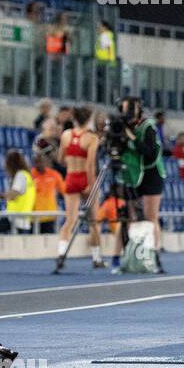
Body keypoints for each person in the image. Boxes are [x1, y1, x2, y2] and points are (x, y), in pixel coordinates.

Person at [118, 97, 166, 273]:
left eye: (130, 109)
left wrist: (131, 138)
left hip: (151, 173)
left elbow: (149, 152)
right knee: (131, 216)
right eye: (123, 109)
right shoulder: (123, 126)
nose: (126, 113)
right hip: (132, 173)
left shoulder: (148, 126)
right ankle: (132, 255)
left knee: (150, 216)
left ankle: (154, 254)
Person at [58, 106, 104, 267]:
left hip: (71, 176)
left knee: (69, 220)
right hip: (85, 178)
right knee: (93, 221)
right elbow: (91, 165)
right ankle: (96, 258)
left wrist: (72, 162)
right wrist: (91, 185)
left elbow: (60, 159)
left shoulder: (65, 135)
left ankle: (61, 254)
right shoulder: (91, 138)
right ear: (89, 119)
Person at [0, 149, 36, 234]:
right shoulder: (27, 175)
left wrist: (2, 195)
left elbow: (14, 193)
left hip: (15, 219)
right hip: (23, 220)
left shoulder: (20, 175)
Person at [30, 150, 65, 234]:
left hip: (50, 216)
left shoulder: (54, 175)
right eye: (36, 162)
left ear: (45, 162)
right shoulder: (30, 175)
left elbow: (64, 192)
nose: (39, 164)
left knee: (49, 242)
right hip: (34, 217)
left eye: (40, 161)